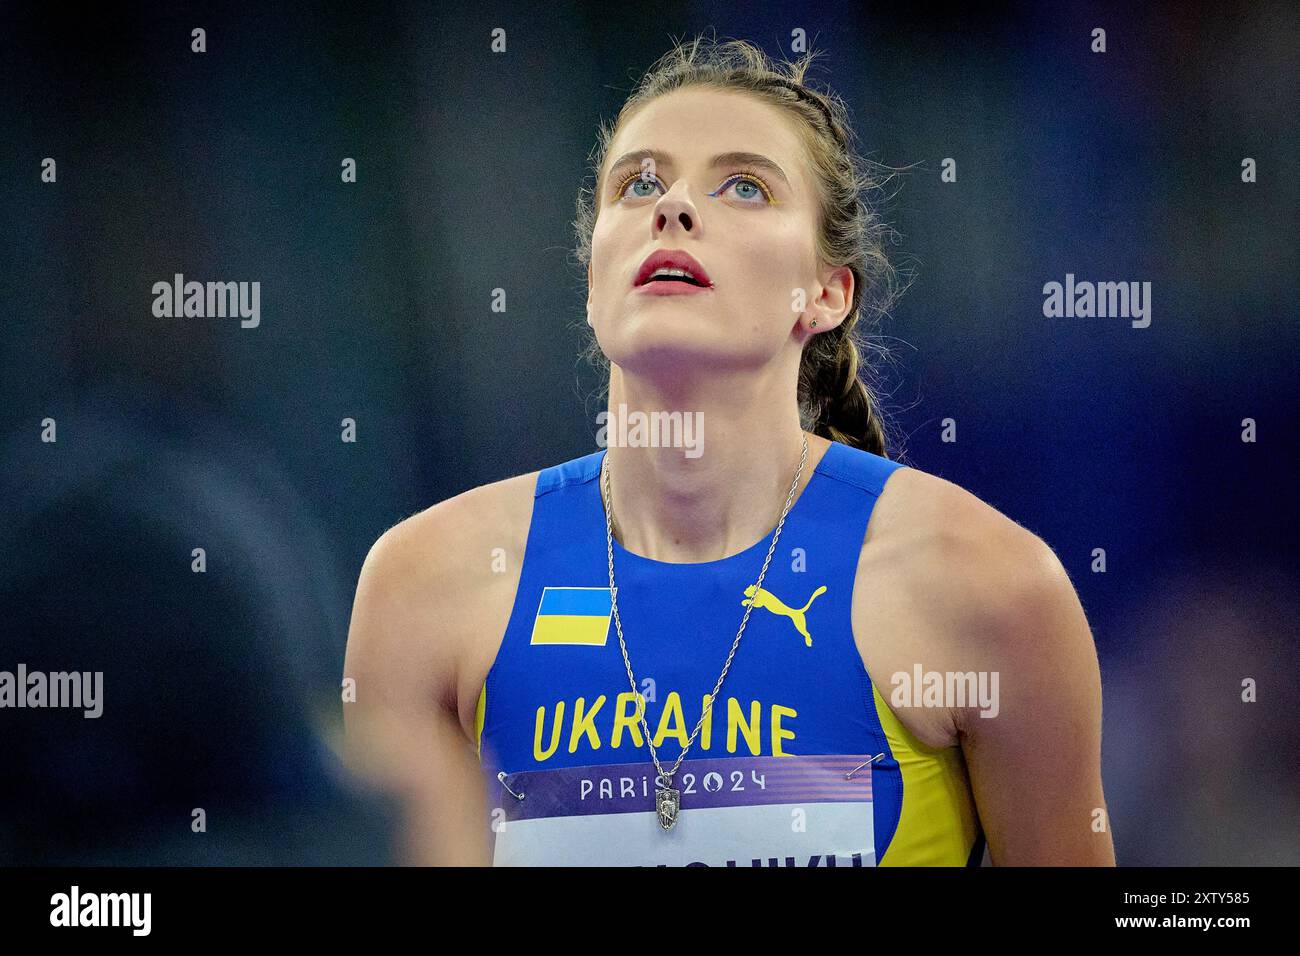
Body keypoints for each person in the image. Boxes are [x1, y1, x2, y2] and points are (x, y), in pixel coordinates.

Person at [343, 35, 1114, 867]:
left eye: (744, 186)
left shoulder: (987, 587)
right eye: (638, 183)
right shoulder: (424, 586)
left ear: (825, 293)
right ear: (593, 268)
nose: (670, 208)